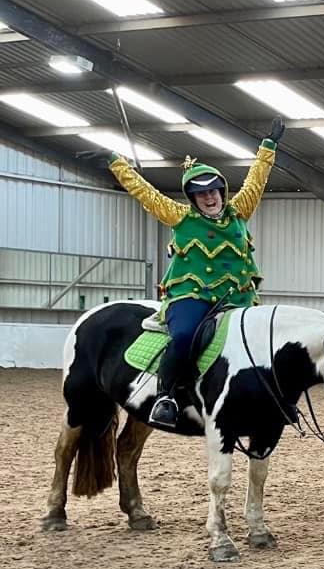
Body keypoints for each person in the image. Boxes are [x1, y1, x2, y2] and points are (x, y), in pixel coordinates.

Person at [80, 118, 285, 429]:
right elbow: (144, 192)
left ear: (221, 190)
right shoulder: (180, 216)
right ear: (193, 198)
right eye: (201, 194)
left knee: (265, 342)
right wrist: (115, 161)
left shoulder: (240, 210)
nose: (210, 197)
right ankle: (167, 396)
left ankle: (271, 399)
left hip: (238, 297)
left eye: (214, 190)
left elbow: (256, 179)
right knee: (185, 336)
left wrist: (268, 147)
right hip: (192, 295)